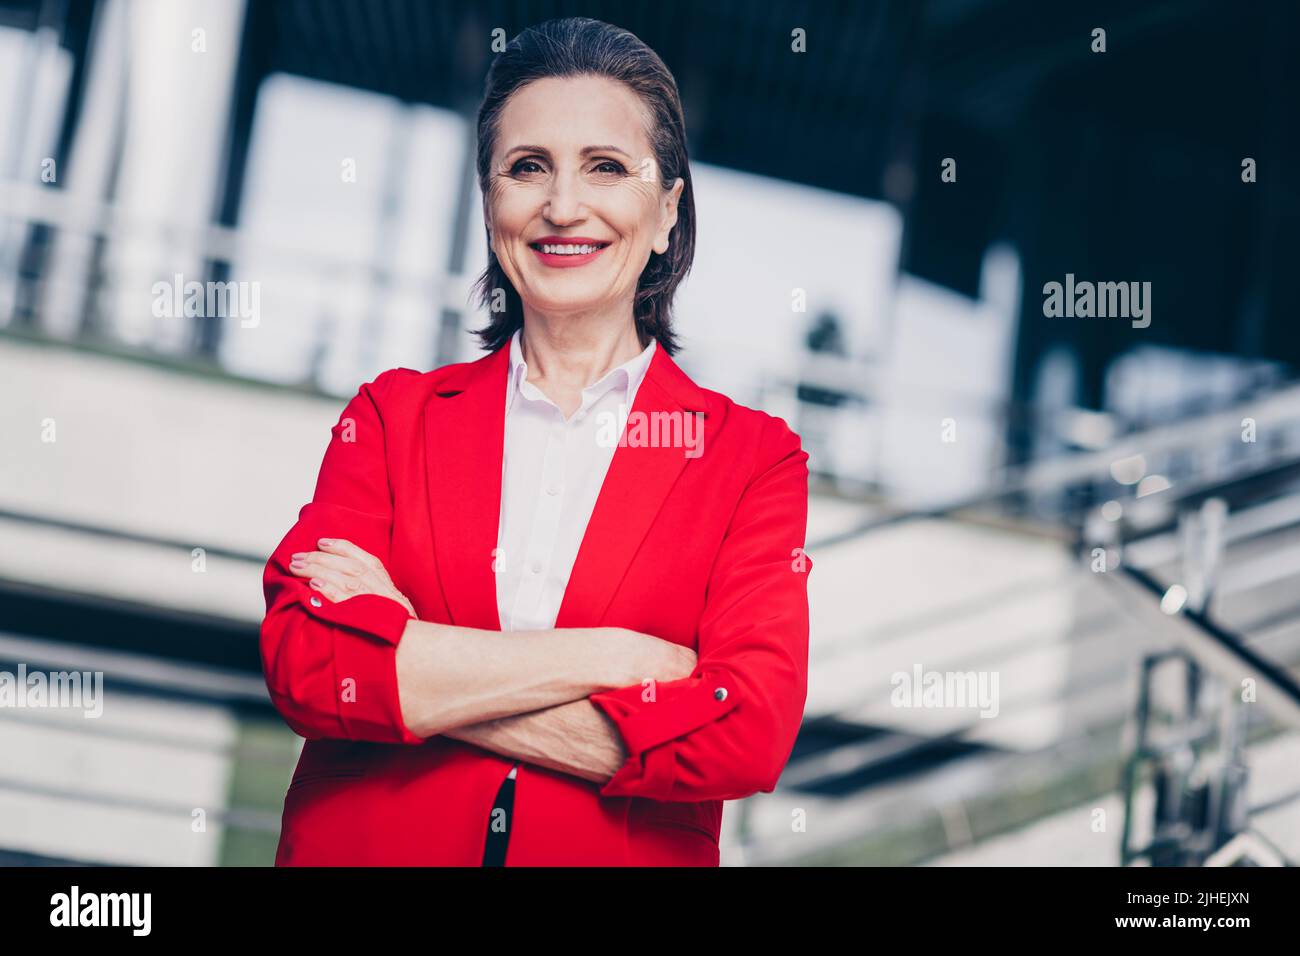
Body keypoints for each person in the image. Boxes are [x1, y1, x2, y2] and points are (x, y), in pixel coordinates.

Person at [260, 16, 812, 866]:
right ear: (491, 207)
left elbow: (744, 732)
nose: (562, 206)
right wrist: (613, 659)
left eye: (605, 168)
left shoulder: (750, 461)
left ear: (667, 209)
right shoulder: (391, 416)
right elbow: (310, 660)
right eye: (528, 168)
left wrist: (414, 660)